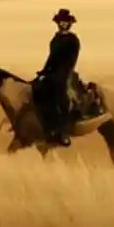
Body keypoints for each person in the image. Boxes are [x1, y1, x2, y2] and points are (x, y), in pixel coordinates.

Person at [35, 8, 80, 147]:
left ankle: (63, 131)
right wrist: (43, 71)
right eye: (61, 21)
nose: (63, 24)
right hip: (53, 72)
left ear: (69, 23)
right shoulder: (55, 39)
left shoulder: (73, 40)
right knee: (37, 89)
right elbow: (51, 58)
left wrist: (62, 71)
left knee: (60, 95)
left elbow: (71, 59)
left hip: (65, 71)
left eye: (66, 22)